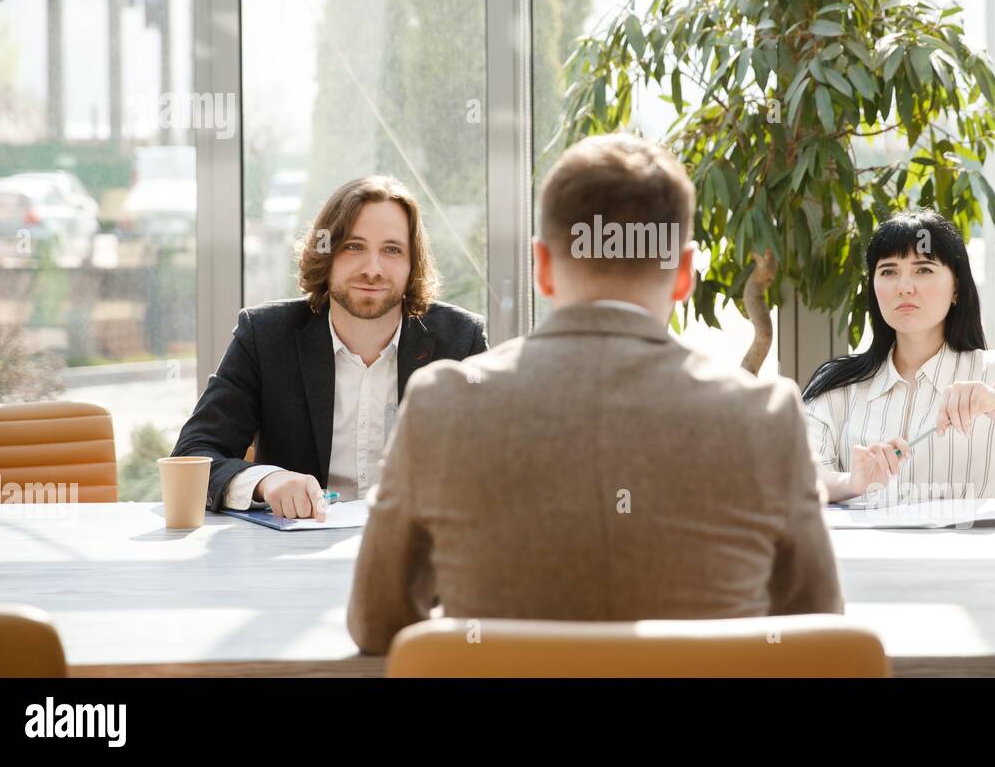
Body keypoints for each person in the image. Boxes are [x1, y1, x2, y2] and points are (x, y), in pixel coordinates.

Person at [347, 134, 841, 654]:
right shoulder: (764, 416)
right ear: (683, 275)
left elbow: (380, 623)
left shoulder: (442, 404)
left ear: (542, 267)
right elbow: (817, 633)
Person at [172, 176, 487, 518]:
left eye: (392, 250)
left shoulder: (460, 340)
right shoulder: (265, 337)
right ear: (327, 255)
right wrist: (269, 480)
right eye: (354, 246)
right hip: (295, 558)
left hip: (418, 554)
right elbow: (193, 456)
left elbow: (502, 458)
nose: (372, 269)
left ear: (413, 264)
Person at [803, 208, 995, 506]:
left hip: (968, 552)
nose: (904, 287)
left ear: (956, 287)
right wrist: (851, 483)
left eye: (923, 270)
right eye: (889, 271)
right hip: (863, 553)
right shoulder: (839, 385)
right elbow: (795, 477)